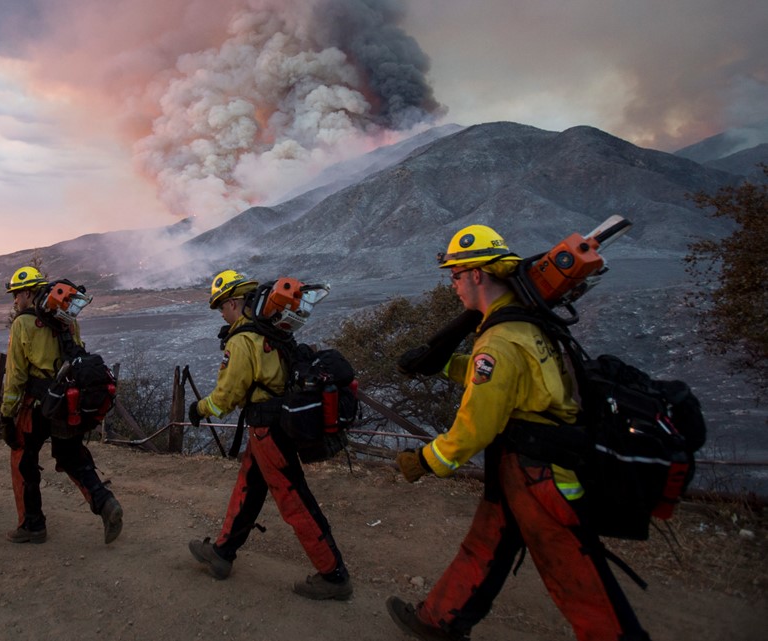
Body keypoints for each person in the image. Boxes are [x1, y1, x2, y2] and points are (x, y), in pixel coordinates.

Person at [388, 225, 650, 641]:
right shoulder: (525, 324)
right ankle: (438, 620)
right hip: (523, 469)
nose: (453, 284)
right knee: (485, 546)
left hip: (539, 478)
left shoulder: (500, 340)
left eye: (455, 275)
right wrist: (441, 364)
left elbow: (474, 427)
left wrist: (424, 461)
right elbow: (499, 380)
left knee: (579, 580)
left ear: (476, 275)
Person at [187, 269, 352, 601]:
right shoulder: (274, 332)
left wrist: (199, 409)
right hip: (277, 424)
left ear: (234, 302)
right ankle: (222, 553)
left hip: (267, 431)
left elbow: (227, 397)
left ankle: (333, 575)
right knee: (248, 489)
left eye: (222, 306)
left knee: (294, 501)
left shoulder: (242, 339)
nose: (221, 313)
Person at [0, 266, 122, 545]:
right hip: (67, 401)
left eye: (16, 295)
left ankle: (32, 525)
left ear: (28, 293)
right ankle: (105, 503)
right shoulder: (68, 320)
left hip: (36, 406)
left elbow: (16, 375)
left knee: (23, 460)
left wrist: (7, 416)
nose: (15, 301)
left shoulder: (22, 324)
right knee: (70, 455)